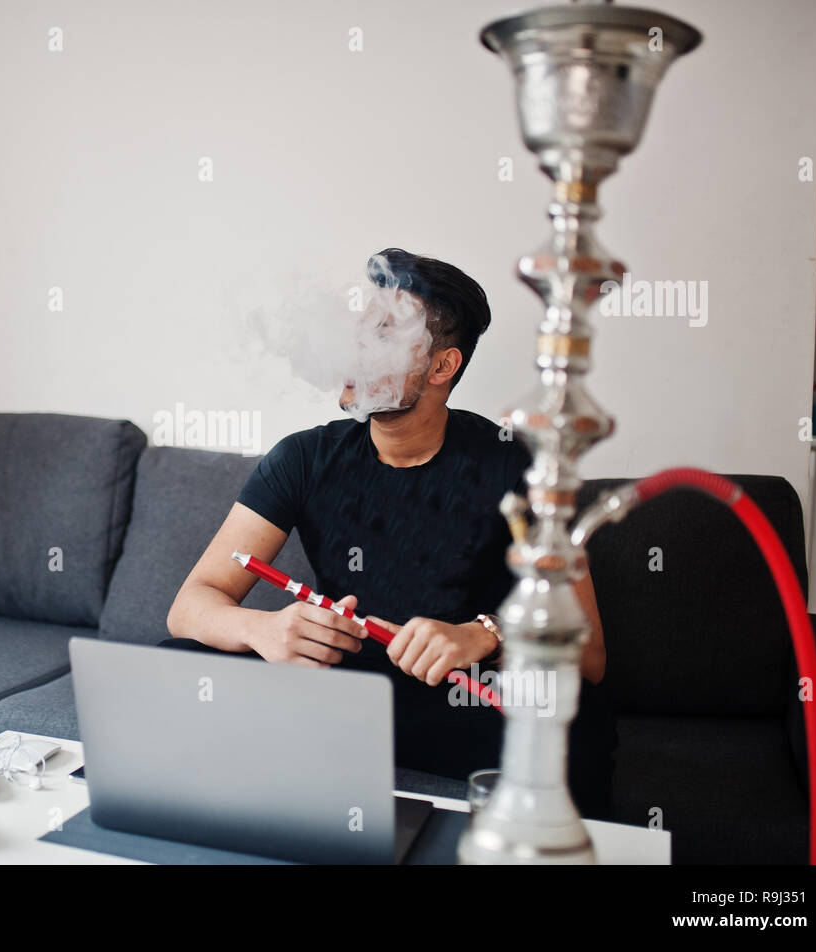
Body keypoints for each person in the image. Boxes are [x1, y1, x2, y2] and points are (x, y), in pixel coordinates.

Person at [164, 247, 617, 818]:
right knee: (178, 661)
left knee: (577, 731)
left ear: (440, 367)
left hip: (458, 701)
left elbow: (591, 654)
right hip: (344, 699)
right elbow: (190, 605)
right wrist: (264, 629)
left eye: (382, 334)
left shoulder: (518, 466)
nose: (352, 349)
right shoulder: (302, 458)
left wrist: (485, 636)